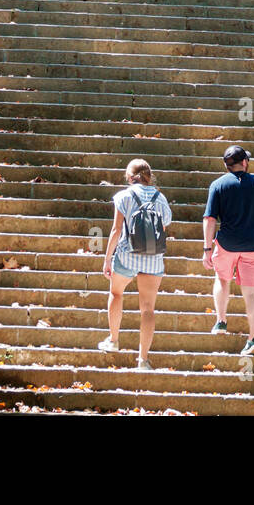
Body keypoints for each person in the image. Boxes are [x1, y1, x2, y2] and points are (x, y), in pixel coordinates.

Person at [203, 145, 254, 356]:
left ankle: (221, 321)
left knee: (221, 279)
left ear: (225, 165)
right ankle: (253, 337)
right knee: (251, 292)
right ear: (245, 162)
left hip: (226, 243)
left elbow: (209, 219)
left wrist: (207, 248)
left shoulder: (218, 185)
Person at [99, 158, 172, 370]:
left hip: (126, 255)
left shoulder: (124, 196)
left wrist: (107, 258)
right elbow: (164, 229)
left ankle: (113, 340)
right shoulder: (161, 198)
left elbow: (116, 230)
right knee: (148, 309)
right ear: (150, 176)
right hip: (153, 258)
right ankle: (143, 360)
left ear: (130, 177)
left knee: (116, 293)